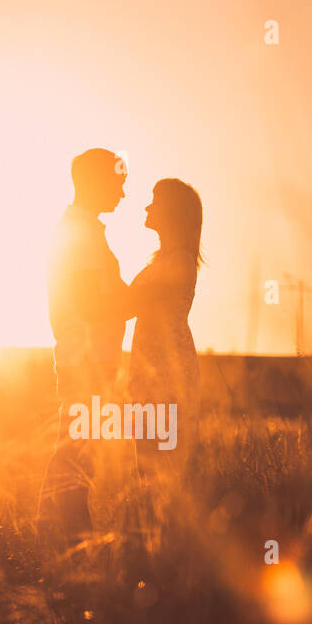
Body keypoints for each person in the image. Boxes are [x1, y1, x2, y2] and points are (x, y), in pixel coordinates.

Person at [37, 149, 130, 546]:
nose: (123, 194)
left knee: (77, 454)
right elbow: (92, 303)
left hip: (90, 361)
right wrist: (148, 297)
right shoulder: (81, 234)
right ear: (96, 182)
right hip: (88, 363)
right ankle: (72, 542)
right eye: (118, 183)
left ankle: (59, 536)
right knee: (78, 459)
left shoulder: (81, 230)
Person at [127, 179, 203, 476]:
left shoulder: (179, 262)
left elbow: (130, 303)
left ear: (171, 211)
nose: (148, 206)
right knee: (151, 467)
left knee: (163, 470)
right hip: (151, 375)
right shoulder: (163, 261)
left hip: (169, 379)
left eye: (155, 201)